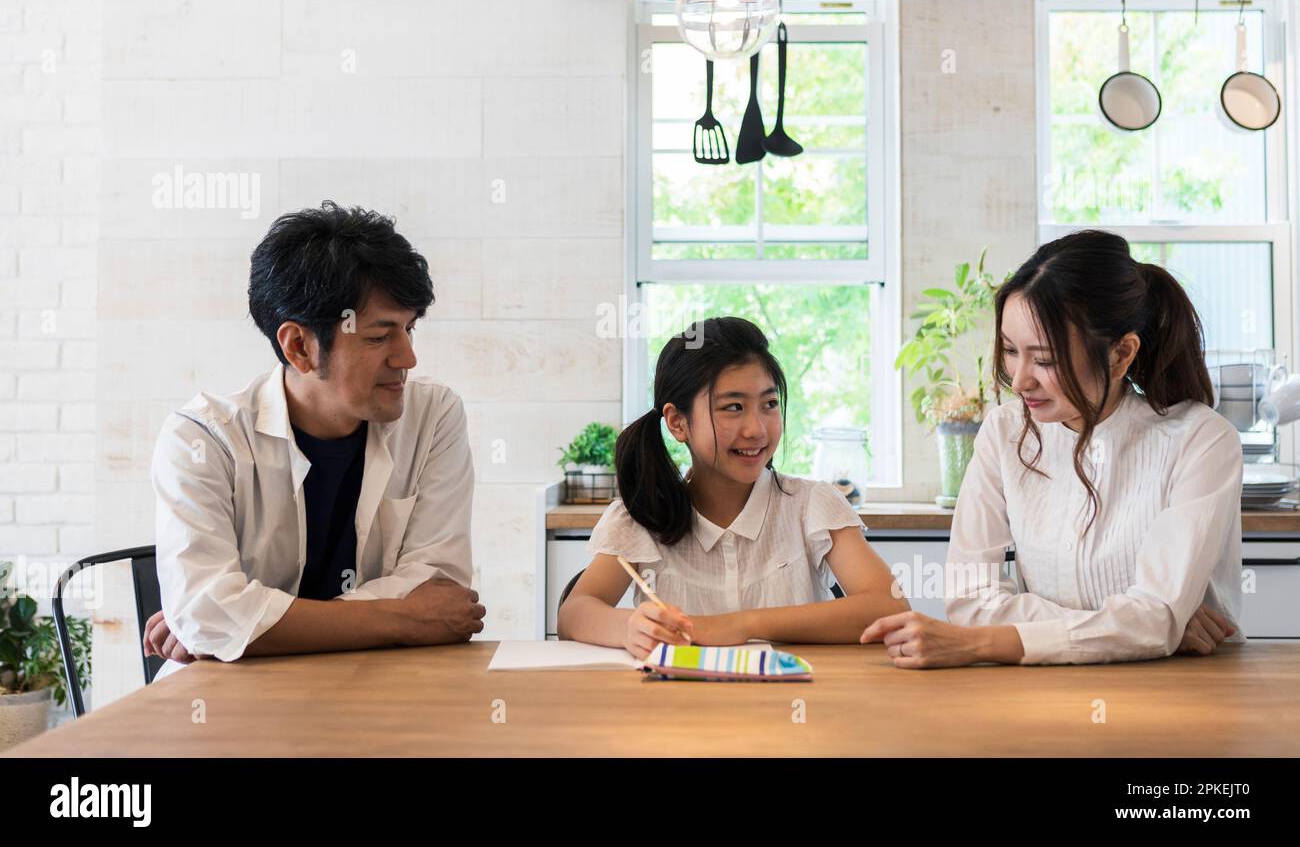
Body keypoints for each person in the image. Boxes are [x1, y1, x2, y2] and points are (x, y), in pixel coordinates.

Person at [862, 230, 1244, 667]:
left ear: (1121, 354)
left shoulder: (1200, 441)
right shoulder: (1005, 433)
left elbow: (1154, 616)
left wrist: (1153, 625)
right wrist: (1141, 628)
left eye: (1044, 359)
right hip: (1046, 689)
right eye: (1009, 351)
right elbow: (970, 600)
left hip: (1186, 689)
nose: (1019, 379)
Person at [144, 202, 484, 674]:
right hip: (232, 705)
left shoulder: (434, 416)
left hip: (379, 686)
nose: (408, 358)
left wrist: (247, 626)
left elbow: (440, 591)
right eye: (379, 337)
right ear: (299, 346)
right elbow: (209, 616)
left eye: (408, 329)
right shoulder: (202, 439)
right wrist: (404, 617)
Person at [559, 316, 907, 658]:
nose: (756, 428)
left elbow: (889, 605)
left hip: (795, 705)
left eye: (769, 404)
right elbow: (574, 613)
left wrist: (743, 624)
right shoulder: (642, 514)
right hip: (677, 708)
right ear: (678, 423)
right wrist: (629, 627)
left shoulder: (811, 504)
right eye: (733, 408)